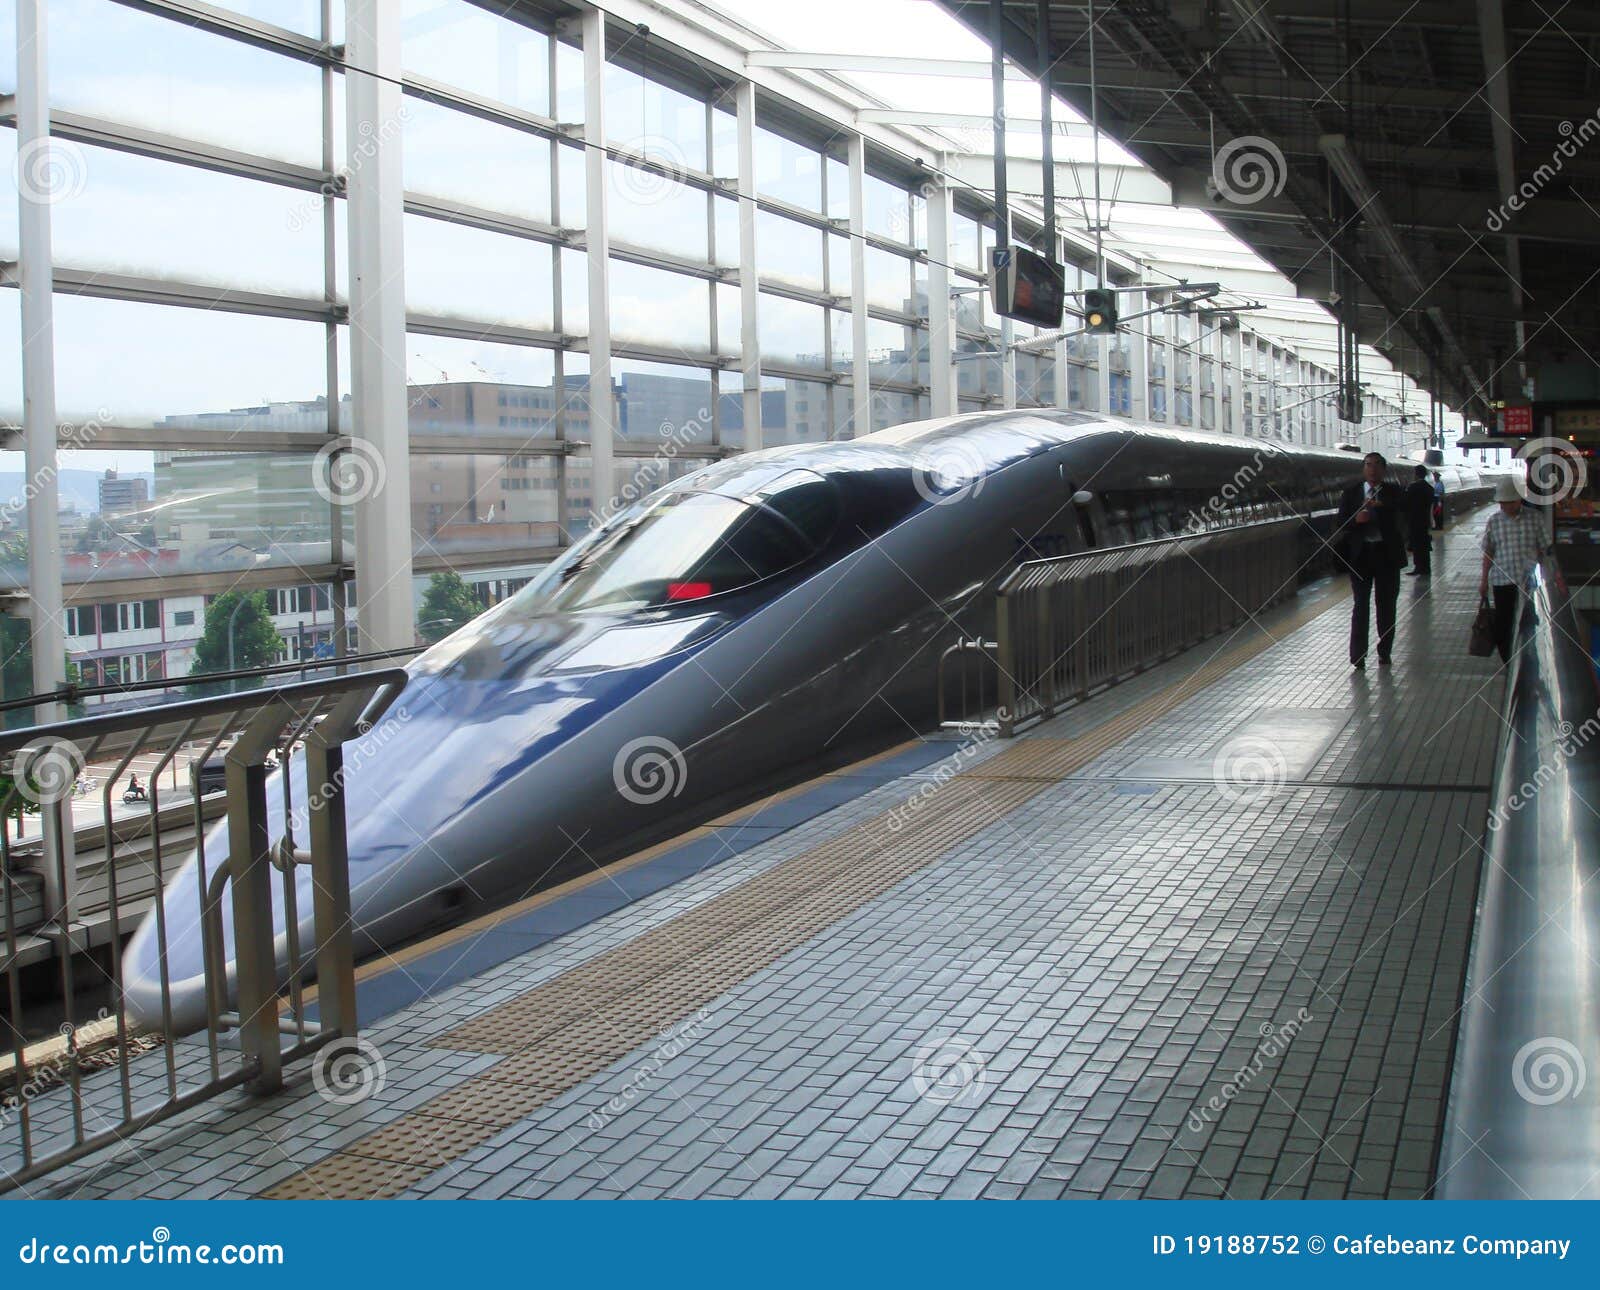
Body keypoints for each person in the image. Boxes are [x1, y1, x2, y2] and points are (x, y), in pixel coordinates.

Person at [1336, 452, 1408, 669]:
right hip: (1361, 557)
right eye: (1368, 465)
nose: (1372, 469)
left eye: (1376, 465)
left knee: (1386, 606)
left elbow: (1404, 516)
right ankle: (1357, 656)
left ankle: (1385, 651)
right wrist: (1356, 521)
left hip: (1387, 556)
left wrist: (1382, 508)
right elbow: (1341, 523)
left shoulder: (1394, 492)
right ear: (1363, 469)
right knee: (1360, 606)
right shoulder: (1351, 494)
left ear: (1384, 470)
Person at [1479, 476, 1550, 665]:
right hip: (1502, 583)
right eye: (1501, 502)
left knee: (1529, 622)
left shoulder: (1535, 519)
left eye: (1508, 501)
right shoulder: (1493, 521)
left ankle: (1529, 660)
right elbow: (1488, 552)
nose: (1503, 506)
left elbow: (1545, 550)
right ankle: (1509, 663)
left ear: (1519, 499)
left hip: (1529, 584)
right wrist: (1484, 580)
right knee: (1504, 626)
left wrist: (1551, 577)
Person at [1403, 465, 1434, 576]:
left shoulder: (1413, 487)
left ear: (1416, 474)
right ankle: (1426, 567)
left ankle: (1419, 568)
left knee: (1416, 545)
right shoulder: (1430, 488)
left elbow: (1405, 503)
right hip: (1425, 520)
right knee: (1424, 545)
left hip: (1414, 520)